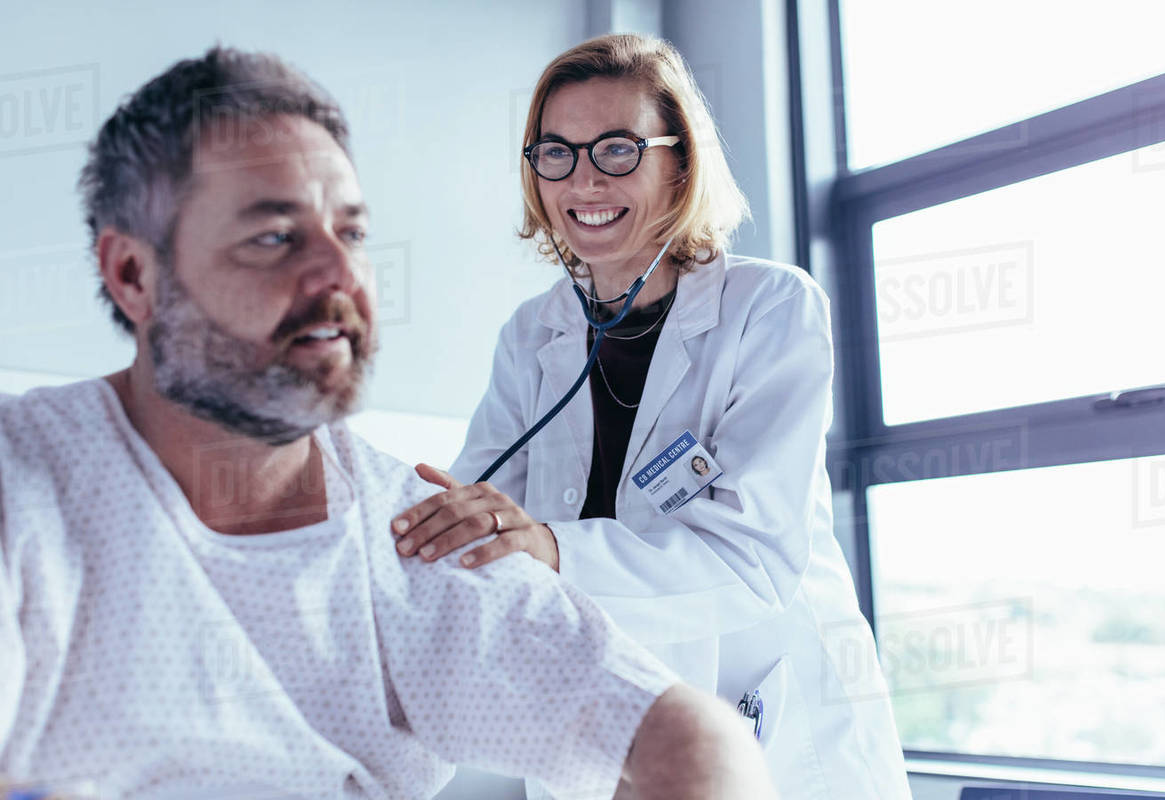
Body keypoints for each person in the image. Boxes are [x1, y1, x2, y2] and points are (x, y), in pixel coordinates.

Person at [0, 46, 778, 800]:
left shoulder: (402, 536)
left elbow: (688, 734)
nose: (340, 274)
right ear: (133, 274)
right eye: (274, 236)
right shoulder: (25, 482)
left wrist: (538, 546)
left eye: (352, 233)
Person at [390, 34, 912, 799]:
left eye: (617, 149)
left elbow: (752, 558)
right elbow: (481, 522)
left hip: (771, 729)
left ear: (680, 164)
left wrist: (550, 550)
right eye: (556, 153)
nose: (584, 179)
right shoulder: (532, 336)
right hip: (602, 730)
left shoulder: (769, 309)